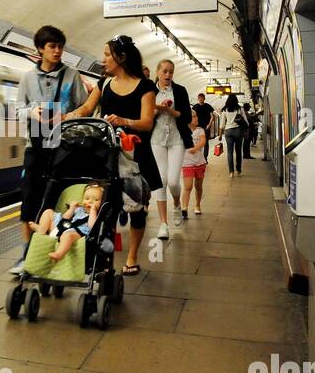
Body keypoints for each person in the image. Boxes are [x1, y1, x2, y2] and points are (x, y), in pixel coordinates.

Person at [63, 35, 159, 275]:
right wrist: (66, 118)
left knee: (137, 208)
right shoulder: (103, 83)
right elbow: (86, 108)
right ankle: (103, 259)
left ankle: (132, 255)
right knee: (106, 207)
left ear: (121, 57)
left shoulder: (145, 86)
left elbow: (147, 122)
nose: (103, 59)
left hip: (136, 155)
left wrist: (124, 121)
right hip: (108, 154)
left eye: (107, 54)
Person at [11, 25, 87, 274]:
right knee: (29, 198)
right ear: (40, 49)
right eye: (52, 46)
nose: (57, 51)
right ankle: (27, 253)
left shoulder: (71, 76)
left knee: (57, 198)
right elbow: (17, 109)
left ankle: (55, 247)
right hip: (35, 145)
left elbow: (83, 109)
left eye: (60, 46)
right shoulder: (27, 78)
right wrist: (31, 111)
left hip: (65, 147)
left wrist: (66, 117)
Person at [149, 59, 192, 234]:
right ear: (157, 72)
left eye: (171, 72)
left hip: (176, 139)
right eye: (165, 71)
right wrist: (158, 109)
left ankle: (176, 204)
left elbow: (187, 117)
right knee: (161, 180)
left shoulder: (180, 91)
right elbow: (145, 116)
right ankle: (163, 224)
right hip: (156, 139)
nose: (168, 75)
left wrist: (171, 111)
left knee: (174, 181)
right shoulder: (149, 91)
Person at [29, 183, 103, 261]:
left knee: (67, 236)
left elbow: (92, 226)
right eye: (87, 198)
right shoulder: (79, 209)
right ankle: (41, 230)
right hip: (61, 227)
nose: (90, 201)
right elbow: (64, 218)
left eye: (96, 200)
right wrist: (71, 209)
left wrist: (93, 211)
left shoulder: (95, 215)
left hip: (76, 232)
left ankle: (59, 254)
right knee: (48, 212)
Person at [180, 110, 207, 215]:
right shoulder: (182, 131)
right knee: (188, 187)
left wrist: (194, 148)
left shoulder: (200, 130)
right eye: (193, 117)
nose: (196, 118)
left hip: (200, 163)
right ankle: (184, 208)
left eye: (196, 116)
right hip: (187, 164)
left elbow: (203, 141)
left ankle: (197, 204)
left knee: (198, 186)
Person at [220, 92, 246, 177]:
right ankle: (238, 170)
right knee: (238, 151)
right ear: (236, 100)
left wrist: (220, 135)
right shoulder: (240, 109)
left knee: (230, 152)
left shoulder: (224, 110)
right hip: (238, 131)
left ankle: (231, 172)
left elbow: (222, 124)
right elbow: (246, 121)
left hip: (228, 131)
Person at [192, 93, 216, 163]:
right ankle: (197, 158)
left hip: (206, 127)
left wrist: (209, 124)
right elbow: (192, 115)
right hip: (197, 127)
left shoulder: (208, 106)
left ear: (204, 98)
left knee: (205, 143)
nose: (200, 99)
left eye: (202, 98)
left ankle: (205, 158)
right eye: (199, 98)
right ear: (198, 99)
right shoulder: (195, 107)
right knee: (196, 142)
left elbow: (212, 116)